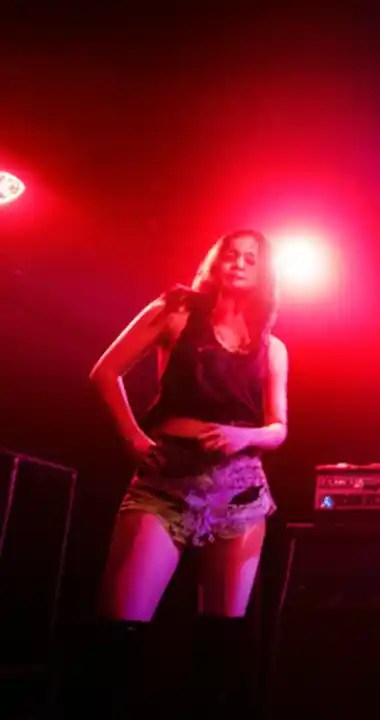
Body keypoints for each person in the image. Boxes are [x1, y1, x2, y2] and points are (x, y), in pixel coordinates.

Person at [87, 229, 288, 718]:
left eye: (250, 259)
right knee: (119, 630)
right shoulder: (176, 311)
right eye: (231, 256)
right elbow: (104, 371)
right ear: (216, 263)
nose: (239, 264)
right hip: (168, 482)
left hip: (240, 492)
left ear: (263, 273)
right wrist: (133, 438)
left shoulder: (272, 346)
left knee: (221, 637)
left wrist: (246, 436)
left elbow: (278, 427)